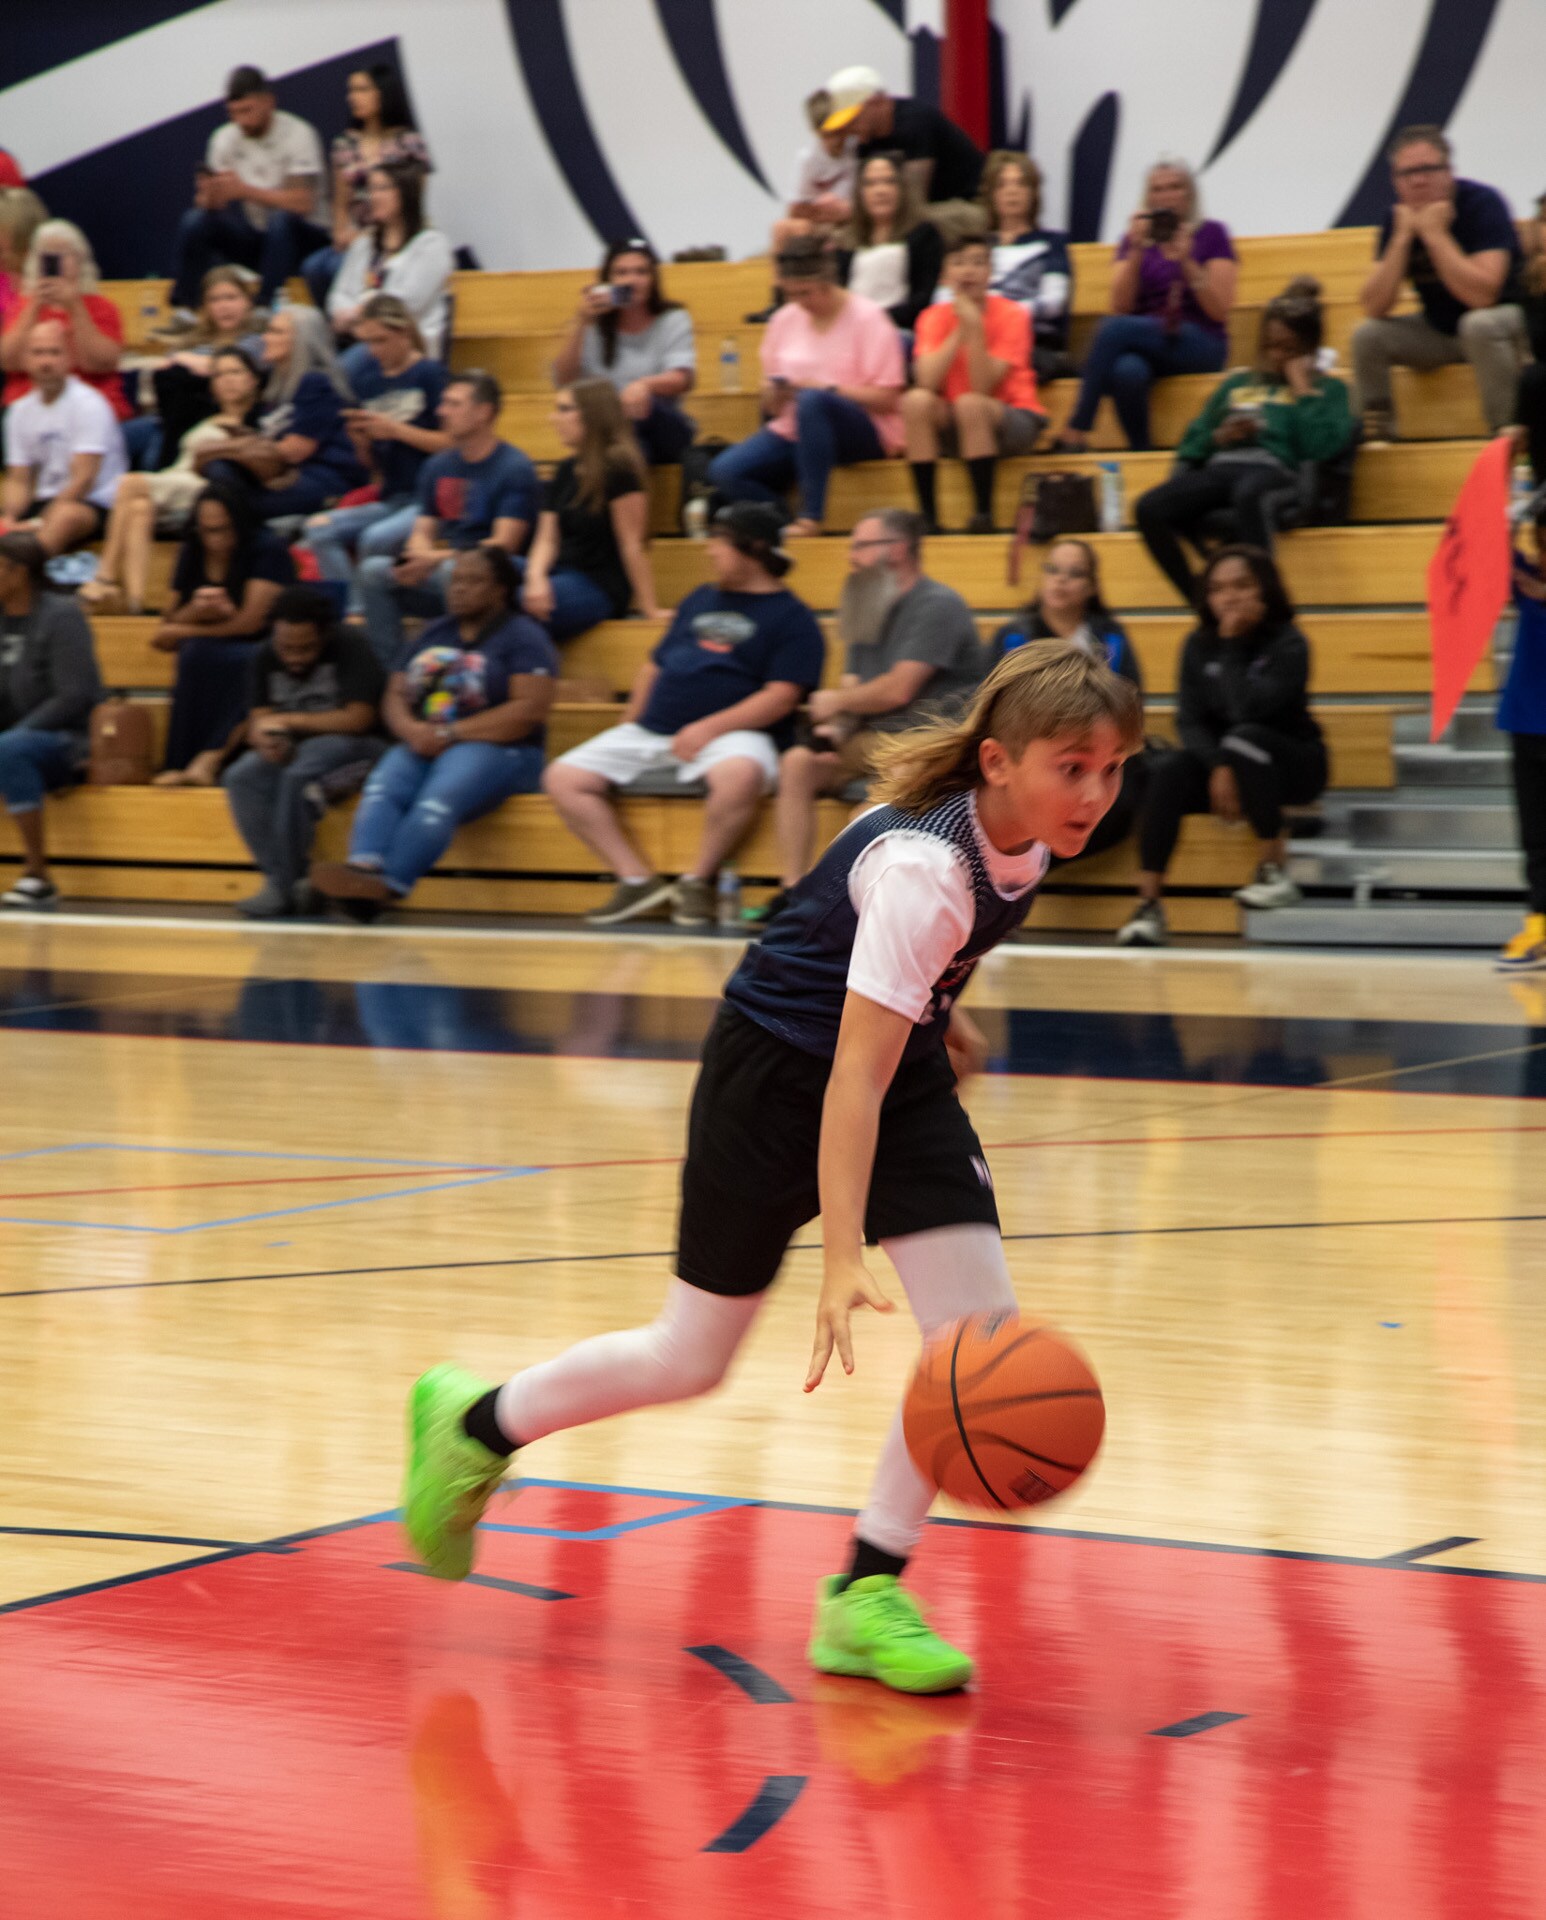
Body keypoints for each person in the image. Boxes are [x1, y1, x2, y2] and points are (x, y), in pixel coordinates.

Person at [401, 638, 1141, 1699]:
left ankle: (863, 1594)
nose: (1094, 793)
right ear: (996, 763)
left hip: (891, 1062)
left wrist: (944, 1002)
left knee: (969, 1346)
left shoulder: (1013, 841)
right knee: (690, 1356)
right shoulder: (928, 867)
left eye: (1111, 768)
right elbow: (850, 1081)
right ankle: (473, 1425)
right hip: (777, 1077)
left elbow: (879, 975)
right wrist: (843, 1253)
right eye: (1071, 766)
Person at [544, 502, 825, 928]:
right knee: (563, 777)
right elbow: (654, 666)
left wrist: (709, 727)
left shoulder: (794, 618)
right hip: (653, 729)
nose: (710, 551)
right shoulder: (699, 598)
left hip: (734, 732)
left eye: (720, 542)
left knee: (741, 775)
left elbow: (781, 698)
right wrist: (630, 721)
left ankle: (698, 880)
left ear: (753, 548)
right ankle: (637, 880)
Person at [309, 547, 557, 917]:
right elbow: (394, 692)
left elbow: (527, 711)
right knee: (382, 787)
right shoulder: (435, 631)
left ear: (500, 590)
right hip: (428, 739)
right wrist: (410, 730)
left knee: (437, 801)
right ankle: (362, 868)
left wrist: (452, 733)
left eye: (473, 582)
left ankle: (388, 885)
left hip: (503, 748)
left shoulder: (523, 636)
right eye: (456, 580)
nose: (459, 589)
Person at [1116, 545, 1325, 947]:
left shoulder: (1288, 643)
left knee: (1243, 739)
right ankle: (1148, 908)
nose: (1229, 597)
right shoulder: (1196, 646)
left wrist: (1231, 647)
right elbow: (1189, 720)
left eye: (1242, 585)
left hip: (1292, 765)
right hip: (1229, 767)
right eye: (1218, 589)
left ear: (1265, 589)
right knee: (1167, 769)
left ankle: (1273, 870)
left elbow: (1249, 710)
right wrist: (1217, 766)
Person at [770, 509, 984, 899]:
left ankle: (840, 901)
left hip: (928, 741)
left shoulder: (937, 604)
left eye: (861, 546)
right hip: (876, 738)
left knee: (867, 811)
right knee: (798, 764)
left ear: (898, 550)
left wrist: (834, 700)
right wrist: (835, 730)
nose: (851, 556)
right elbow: (856, 685)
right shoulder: (866, 601)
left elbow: (897, 690)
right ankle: (793, 892)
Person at [1134, 277, 1354, 604]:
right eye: (1269, 345)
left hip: (1276, 471)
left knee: (1248, 492)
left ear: (1310, 350)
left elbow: (1320, 448)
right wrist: (1219, 436)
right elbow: (1193, 443)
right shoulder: (1237, 383)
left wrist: (1303, 391)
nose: (1276, 355)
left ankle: (1268, 603)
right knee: (1148, 508)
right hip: (1224, 465)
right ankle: (1197, 598)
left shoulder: (1329, 390)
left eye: (1288, 349)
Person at [709, 238, 905, 537]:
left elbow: (887, 399)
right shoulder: (784, 320)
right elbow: (771, 391)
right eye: (791, 294)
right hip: (795, 426)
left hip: (862, 425)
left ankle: (811, 516)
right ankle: (779, 524)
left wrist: (826, 389)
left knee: (813, 401)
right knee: (725, 471)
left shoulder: (868, 318)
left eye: (806, 293)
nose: (800, 301)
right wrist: (773, 394)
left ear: (827, 283)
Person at [222, 584, 386, 918]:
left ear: (324, 634)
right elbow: (259, 719)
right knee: (241, 777)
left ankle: (284, 888)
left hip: (363, 748)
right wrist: (267, 738)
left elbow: (358, 718)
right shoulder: (264, 656)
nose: (295, 658)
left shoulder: (350, 645)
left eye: (306, 648)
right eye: (287, 648)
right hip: (302, 746)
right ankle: (291, 879)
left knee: (300, 775)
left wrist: (287, 721)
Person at [1353, 127, 1526, 441]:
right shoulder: (1398, 220)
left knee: (1479, 324)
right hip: (1442, 330)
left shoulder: (1482, 203)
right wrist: (1403, 239)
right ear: (1395, 181)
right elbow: (1374, 305)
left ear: (1449, 172)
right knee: (1368, 335)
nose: (1418, 180)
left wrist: (1435, 235)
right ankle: (1377, 435)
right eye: (1408, 173)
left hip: (1505, 325)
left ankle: (1505, 432)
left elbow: (1484, 296)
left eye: (1428, 169)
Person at [1053, 159, 1236, 453]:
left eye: (1174, 187)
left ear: (1189, 194)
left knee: (1113, 328)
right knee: (1127, 370)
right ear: (1148, 198)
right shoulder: (1134, 240)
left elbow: (1220, 311)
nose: (1166, 196)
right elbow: (1121, 304)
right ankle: (1142, 451)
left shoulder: (1212, 233)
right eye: (1157, 189)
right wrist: (1137, 249)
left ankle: (1077, 427)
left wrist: (1187, 261)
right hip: (1147, 340)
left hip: (1201, 340)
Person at [357, 369, 539, 667]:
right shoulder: (438, 466)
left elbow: (503, 545)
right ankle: (394, 673)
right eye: (443, 403)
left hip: (494, 575)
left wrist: (435, 559)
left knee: (454, 573)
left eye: (454, 404)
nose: (441, 411)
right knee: (373, 572)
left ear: (483, 412)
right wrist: (418, 554)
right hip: (446, 568)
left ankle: (464, 663)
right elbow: (423, 527)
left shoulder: (514, 467)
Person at [990, 537, 1146, 860]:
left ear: (1091, 587)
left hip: (1094, 753)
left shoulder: (1111, 637)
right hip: (1031, 752)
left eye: (1074, 573)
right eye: (1053, 570)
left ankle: (1039, 861)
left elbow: (1131, 705)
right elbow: (989, 705)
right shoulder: (1013, 636)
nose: (1061, 579)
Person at [80, 346, 263, 615]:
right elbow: (166, 382)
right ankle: (135, 603)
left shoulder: (258, 421)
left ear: (253, 379)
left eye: (235, 372)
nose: (228, 380)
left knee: (130, 483)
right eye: (220, 374)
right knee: (139, 508)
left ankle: (103, 578)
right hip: (177, 481)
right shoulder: (203, 417)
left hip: (207, 488)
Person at [302, 294, 449, 601]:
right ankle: (349, 607)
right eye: (368, 342)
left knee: (374, 539)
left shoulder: (430, 374)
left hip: (427, 498)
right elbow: (372, 467)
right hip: (392, 494)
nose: (374, 350)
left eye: (381, 341)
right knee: (318, 528)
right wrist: (361, 441)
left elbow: (450, 445)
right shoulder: (367, 380)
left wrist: (396, 429)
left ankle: (358, 614)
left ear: (404, 333)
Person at [151, 482, 296, 786]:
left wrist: (182, 628)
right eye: (207, 530)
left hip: (268, 644)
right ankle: (180, 761)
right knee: (193, 655)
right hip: (211, 642)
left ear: (240, 523)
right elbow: (170, 616)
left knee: (253, 661)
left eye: (222, 529)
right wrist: (195, 610)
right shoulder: (192, 549)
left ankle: (212, 758)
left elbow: (251, 623)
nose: (215, 539)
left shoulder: (267, 549)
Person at [903, 231, 1045, 534]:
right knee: (915, 400)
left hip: (1013, 417)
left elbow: (983, 387)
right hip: (960, 422)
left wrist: (976, 329)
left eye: (978, 263)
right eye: (959, 263)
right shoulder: (931, 317)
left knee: (971, 403)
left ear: (990, 273)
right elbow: (926, 381)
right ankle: (928, 517)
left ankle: (984, 514)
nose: (968, 270)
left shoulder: (1013, 315)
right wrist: (959, 330)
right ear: (944, 274)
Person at [170, 65, 329, 312]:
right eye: (233, 113)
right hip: (259, 240)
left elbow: (302, 204)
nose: (240, 121)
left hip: (305, 239)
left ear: (269, 102)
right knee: (195, 220)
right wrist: (210, 195)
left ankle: (263, 307)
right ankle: (188, 309)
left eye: (247, 111)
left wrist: (245, 191)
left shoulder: (299, 134)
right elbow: (210, 205)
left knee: (282, 220)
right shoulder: (224, 138)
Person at [0, 531, 104, 910]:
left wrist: (19, 734)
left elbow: (76, 695)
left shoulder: (61, 615)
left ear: (18, 573)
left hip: (65, 739)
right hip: (13, 738)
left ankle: (38, 876)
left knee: (9, 749)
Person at [521, 380, 659, 641]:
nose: (554, 418)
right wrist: (535, 576)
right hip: (558, 573)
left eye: (564, 409)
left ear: (592, 415)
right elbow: (547, 538)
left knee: (514, 599)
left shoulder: (619, 469)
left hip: (597, 585)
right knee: (484, 571)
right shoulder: (564, 470)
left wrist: (648, 608)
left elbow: (632, 544)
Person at [199, 305, 364, 522]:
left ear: (302, 340)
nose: (265, 338)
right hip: (287, 475)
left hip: (324, 479)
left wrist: (232, 450)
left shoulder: (316, 381)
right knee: (220, 475)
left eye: (276, 332)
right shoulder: (277, 390)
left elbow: (297, 449)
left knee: (227, 506)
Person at [549, 239, 697, 466]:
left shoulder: (673, 318)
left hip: (661, 425)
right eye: (622, 273)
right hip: (612, 432)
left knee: (639, 416)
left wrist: (644, 385)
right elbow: (563, 380)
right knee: (627, 452)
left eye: (641, 272)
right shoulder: (591, 325)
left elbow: (682, 378)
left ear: (653, 279)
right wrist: (581, 322)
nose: (632, 280)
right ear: (608, 281)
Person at [302, 61, 432, 311]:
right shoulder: (345, 144)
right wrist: (340, 232)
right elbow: (340, 202)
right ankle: (337, 331)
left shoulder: (408, 143)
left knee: (336, 268)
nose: (353, 98)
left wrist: (367, 236)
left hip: (392, 236)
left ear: (383, 92)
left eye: (362, 90)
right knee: (313, 267)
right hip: (354, 236)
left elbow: (414, 202)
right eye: (351, 91)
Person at [1, 322, 127, 555]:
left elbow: (84, 479)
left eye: (54, 352)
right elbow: (19, 479)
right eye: (38, 353)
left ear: (69, 358)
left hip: (92, 503)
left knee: (64, 517)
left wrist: (39, 523)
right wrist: (10, 518)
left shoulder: (90, 404)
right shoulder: (18, 412)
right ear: (26, 359)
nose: (46, 361)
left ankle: (27, 572)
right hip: (44, 500)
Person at [0, 218, 128, 420]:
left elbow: (100, 363)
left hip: (91, 411)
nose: (54, 261)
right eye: (46, 254)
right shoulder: (21, 307)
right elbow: (8, 361)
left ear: (80, 261)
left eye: (63, 253)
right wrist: (35, 305)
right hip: (27, 410)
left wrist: (74, 306)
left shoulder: (103, 308)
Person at [142, 266, 266, 472]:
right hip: (170, 417)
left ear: (247, 301)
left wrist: (182, 359)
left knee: (154, 455)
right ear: (205, 306)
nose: (224, 306)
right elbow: (162, 367)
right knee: (124, 435)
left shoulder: (256, 341)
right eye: (215, 300)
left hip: (222, 415)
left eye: (231, 297)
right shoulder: (194, 341)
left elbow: (221, 364)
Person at [327, 162, 454, 362]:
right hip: (356, 339)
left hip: (407, 349)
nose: (373, 197)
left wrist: (356, 314)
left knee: (341, 372)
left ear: (406, 192)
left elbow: (404, 306)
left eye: (382, 188)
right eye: (371, 189)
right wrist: (348, 316)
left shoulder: (432, 245)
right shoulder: (364, 244)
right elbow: (339, 295)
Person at [821, 65, 985, 209]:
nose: (848, 129)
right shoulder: (866, 142)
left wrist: (850, 212)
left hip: (971, 205)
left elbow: (913, 205)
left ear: (875, 102)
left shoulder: (916, 123)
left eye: (852, 119)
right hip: (926, 212)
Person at [1496, 502, 1546, 973]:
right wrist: (1512, 515)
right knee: (1535, 835)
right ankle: (1539, 924)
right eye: (1542, 544)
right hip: (1526, 721)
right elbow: (1489, 553)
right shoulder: (1526, 575)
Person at [977, 151, 1073, 382]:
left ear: (1033, 193)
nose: (1012, 191)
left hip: (1035, 343)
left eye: (1021, 184)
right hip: (981, 342)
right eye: (1002, 185)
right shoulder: (977, 245)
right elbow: (948, 298)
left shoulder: (1053, 243)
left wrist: (997, 318)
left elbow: (1053, 303)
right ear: (991, 195)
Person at [833, 153, 943, 333]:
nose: (880, 191)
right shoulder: (847, 241)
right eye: (871, 184)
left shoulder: (924, 235)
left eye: (889, 182)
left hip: (899, 331)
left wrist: (875, 319)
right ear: (860, 193)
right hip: (852, 331)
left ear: (902, 188)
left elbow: (922, 300)